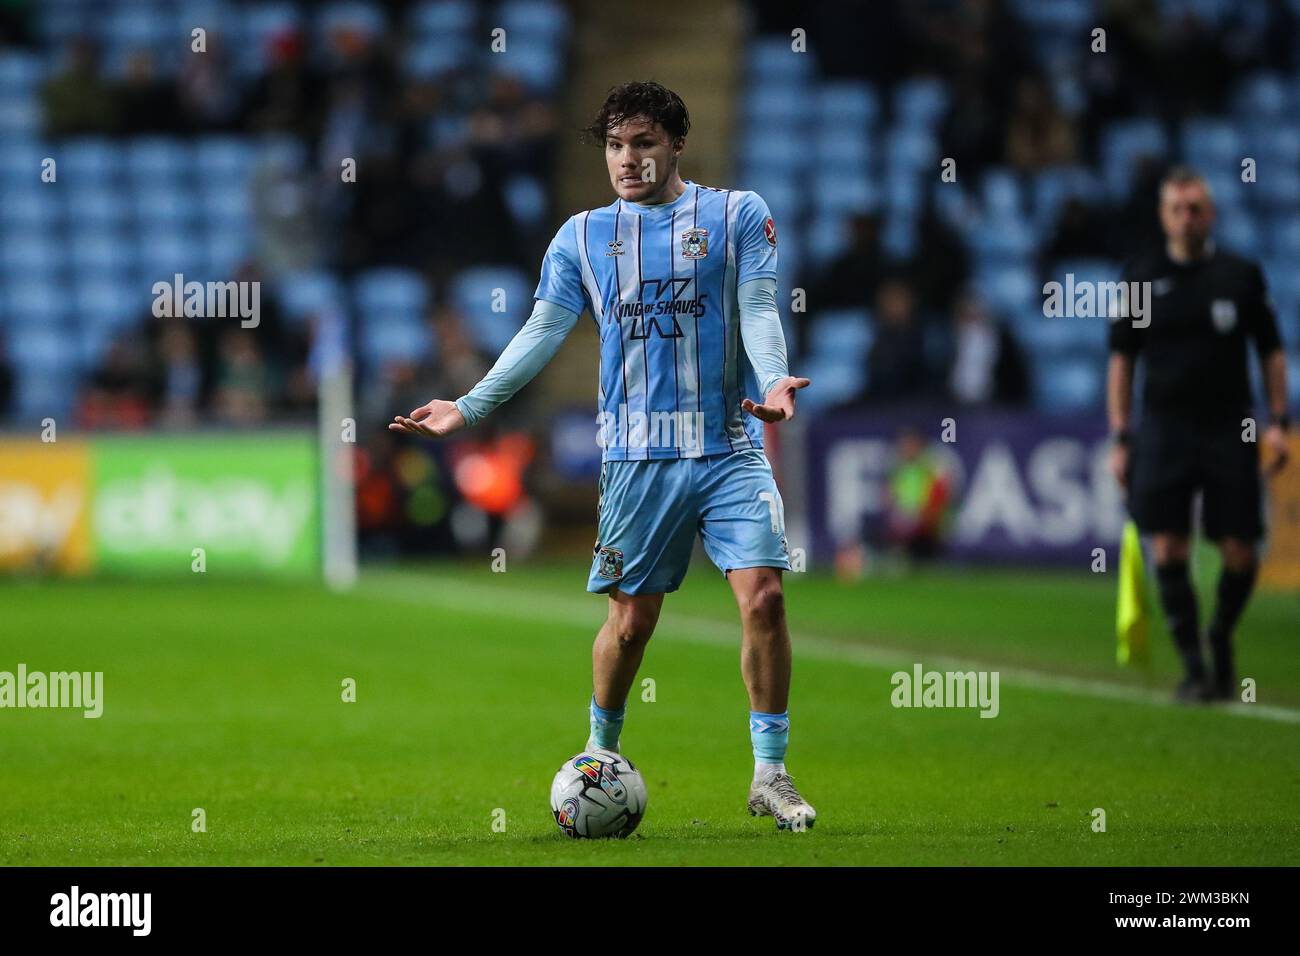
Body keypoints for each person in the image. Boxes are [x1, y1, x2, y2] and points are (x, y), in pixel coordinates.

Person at [389, 81, 816, 829]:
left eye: (644, 142)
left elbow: (756, 306)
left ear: (676, 143)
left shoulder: (735, 214)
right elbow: (541, 334)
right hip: (636, 460)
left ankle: (770, 773)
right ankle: (599, 753)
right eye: (616, 145)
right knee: (630, 625)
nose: (628, 159)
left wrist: (773, 378)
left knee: (768, 597)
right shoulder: (581, 237)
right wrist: (469, 405)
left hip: (726, 446)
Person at [1107, 166, 1290, 702]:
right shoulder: (1139, 277)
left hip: (1229, 424)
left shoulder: (1240, 274)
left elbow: (1271, 350)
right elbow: (1123, 361)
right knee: (1168, 544)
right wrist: (1120, 436)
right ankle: (1193, 665)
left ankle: (1221, 631)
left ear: (1210, 213)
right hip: (1163, 427)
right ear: (1163, 216)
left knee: (1239, 548)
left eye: (1195, 208)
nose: (1187, 218)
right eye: (1176, 209)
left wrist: (1278, 422)